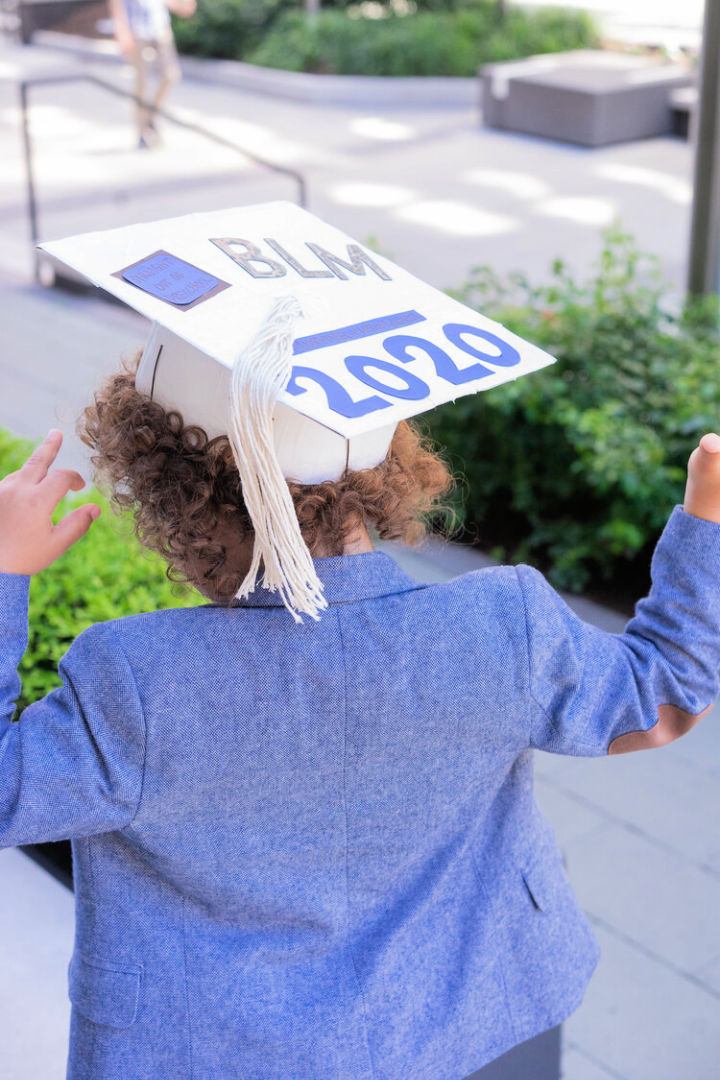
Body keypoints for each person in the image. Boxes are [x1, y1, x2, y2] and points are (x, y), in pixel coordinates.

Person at [2, 204, 720, 1079]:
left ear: (166, 489)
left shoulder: (136, 681)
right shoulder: (506, 627)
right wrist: (705, 518)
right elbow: (667, 694)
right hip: (483, 1028)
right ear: (385, 464)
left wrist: (5, 575)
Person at [109, 0, 196, 149]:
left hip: (160, 28)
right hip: (136, 30)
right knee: (141, 83)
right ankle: (142, 132)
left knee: (170, 75)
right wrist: (121, 29)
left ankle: (151, 116)